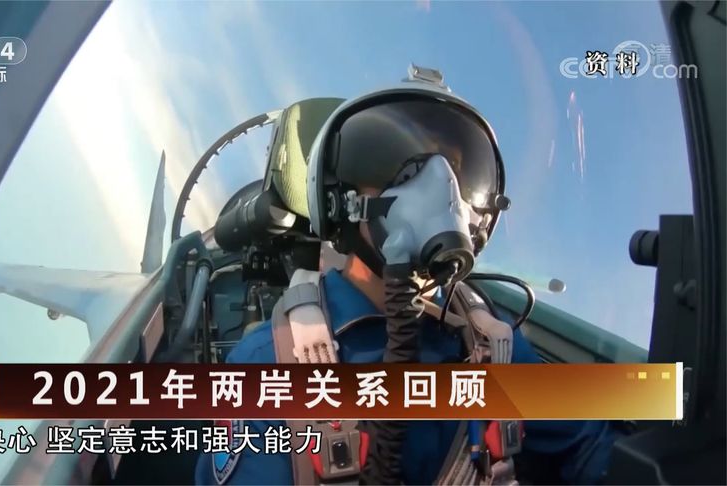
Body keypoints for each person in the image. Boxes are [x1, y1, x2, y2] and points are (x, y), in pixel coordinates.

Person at [195, 66, 619, 485]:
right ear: (338, 196)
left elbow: (590, 447)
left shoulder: (495, 344)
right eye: (399, 168)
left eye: (461, 173)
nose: (443, 189)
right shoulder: (273, 363)